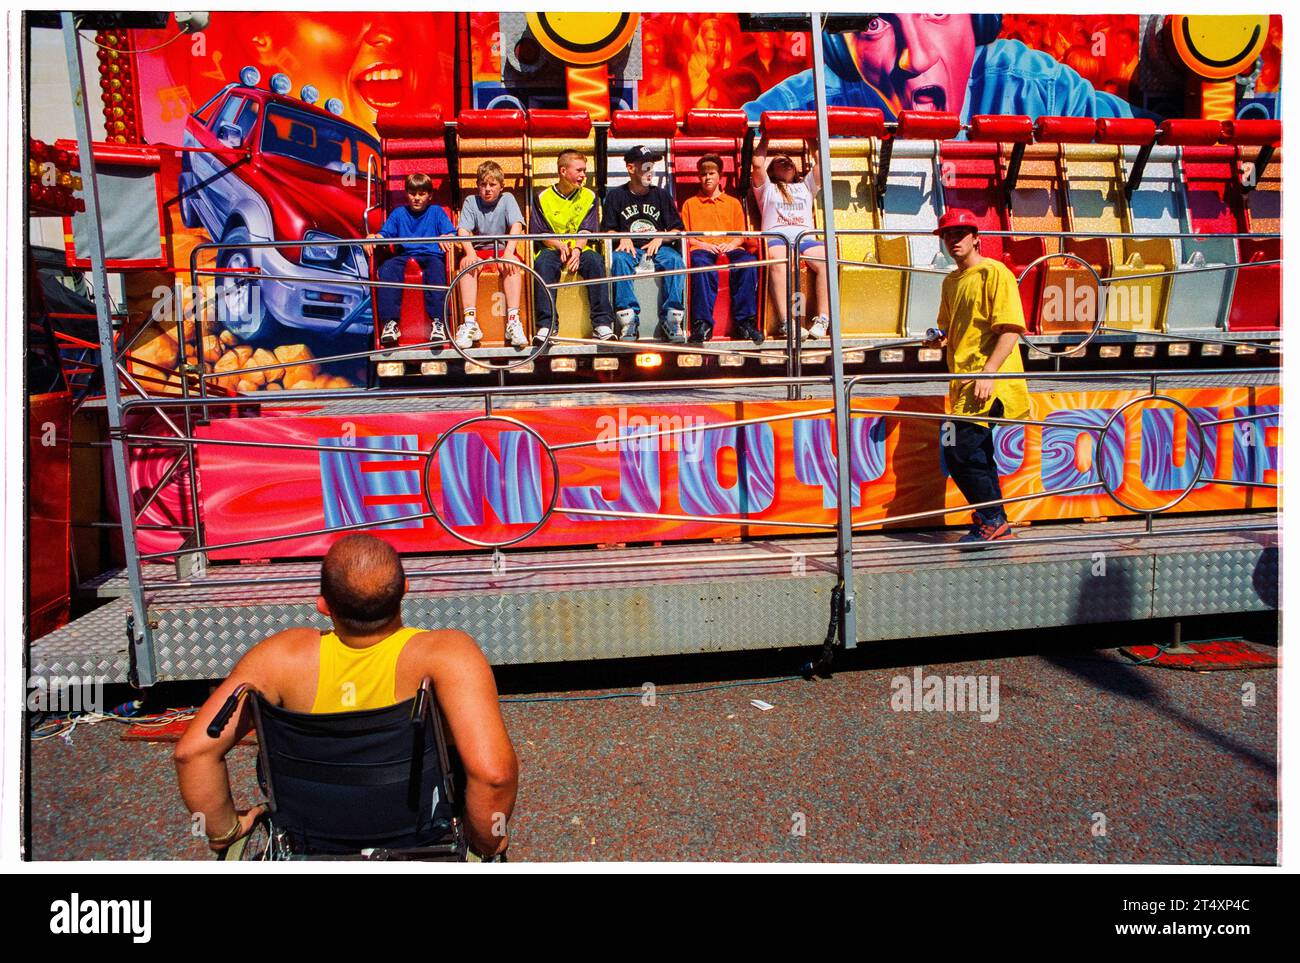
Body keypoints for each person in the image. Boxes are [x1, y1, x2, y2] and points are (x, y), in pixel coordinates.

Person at [175, 533, 519, 859]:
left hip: (310, 837)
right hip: (423, 832)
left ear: (323, 605)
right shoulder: (448, 655)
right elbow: (494, 775)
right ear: (405, 590)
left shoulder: (277, 658)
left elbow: (193, 754)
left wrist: (222, 831)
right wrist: (488, 840)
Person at [742, 14, 1139, 124]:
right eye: (875, 25)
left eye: (936, 11)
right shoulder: (804, 107)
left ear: (978, 21)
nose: (915, 57)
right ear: (840, 48)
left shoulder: (1040, 92)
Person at [925, 209, 1030, 545]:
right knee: (975, 452)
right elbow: (949, 327)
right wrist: (938, 337)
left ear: (975, 238)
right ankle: (995, 521)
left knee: (960, 448)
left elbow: (1011, 328)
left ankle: (992, 519)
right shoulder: (951, 281)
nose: (953, 240)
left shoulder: (994, 272)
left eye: (959, 234)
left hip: (989, 380)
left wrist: (989, 373)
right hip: (964, 381)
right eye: (947, 235)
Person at [750, 131, 830, 340]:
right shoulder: (767, 188)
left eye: (789, 162)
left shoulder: (805, 186)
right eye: (779, 162)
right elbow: (757, 164)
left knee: (826, 260)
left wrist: (811, 138)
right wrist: (767, 134)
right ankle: (789, 321)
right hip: (778, 237)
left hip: (805, 238)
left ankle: (823, 318)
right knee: (780, 261)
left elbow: (823, 163)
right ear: (772, 171)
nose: (786, 163)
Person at [603, 145, 686, 343]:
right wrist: (621, 236)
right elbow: (607, 229)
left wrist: (661, 237)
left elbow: (677, 230)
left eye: (652, 167)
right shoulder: (616, 196)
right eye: (646, 166)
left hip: (658, 247)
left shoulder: (661, 195)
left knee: (675, 260)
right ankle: (628, 319)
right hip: (629, 249)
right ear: (631, 169)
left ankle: (672, 318)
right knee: (619, 259)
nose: (651, 172)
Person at [531, 149, 616, 342]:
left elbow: (587, 229)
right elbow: (540, 232)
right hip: (552, 248)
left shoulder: (589, 196)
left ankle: (602, 324)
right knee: (543, 265)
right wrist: (559, 246)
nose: (583, 175)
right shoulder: (542, 197)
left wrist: (576, 250)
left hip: (580, 247)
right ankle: (547, 326)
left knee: (595, 261)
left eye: (584, 171)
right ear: (563, 171)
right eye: (579, 171)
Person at [679, 152, 760, 344]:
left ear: (720, 176)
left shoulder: (733, 203)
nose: (707, 177)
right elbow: (685, 237)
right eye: (703, 174)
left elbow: (741, 235)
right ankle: (702, 323)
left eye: (711, 173)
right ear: (699, 177)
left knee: (748, 263)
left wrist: (731, 244)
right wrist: (703, 244)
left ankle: (745, 322)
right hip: (702, 248)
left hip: (730, 247)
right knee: (700, 265)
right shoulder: (690, 204)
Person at [371, 172, 457, 348]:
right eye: (412, 193)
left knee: (436, 271)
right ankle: (390, 324)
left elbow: (451, 232)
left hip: (431, 255)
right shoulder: (399, 213)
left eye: (421, 194)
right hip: (405, 255)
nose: (416, 198)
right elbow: (384, 234)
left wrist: (447, 236)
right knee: (387, 268)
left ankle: (438, 322)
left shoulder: (436, 212)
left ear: (430, 195)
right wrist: (373, 237)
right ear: (406, 194)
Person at [456, 160, 528, 350]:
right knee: (467, 267)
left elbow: (516, 225)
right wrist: (469, 253)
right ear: (477, 186)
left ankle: (513, 322)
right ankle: (470, 323)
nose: (487, 189)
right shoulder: (471, 201)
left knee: (512, 266)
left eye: (492, 185)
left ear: (501, 186)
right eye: (483, 185)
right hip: (479, 250)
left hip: (503, 249)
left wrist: (509, 252)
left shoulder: (508, 199)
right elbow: (463, 230)